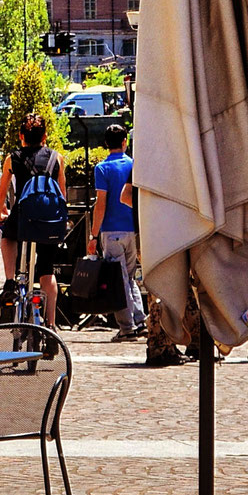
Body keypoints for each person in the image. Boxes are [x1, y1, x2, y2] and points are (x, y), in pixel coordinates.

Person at [0, 116, 67, 327]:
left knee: (7, 237)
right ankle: (51, 324)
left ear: (21, 136)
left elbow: (1, 194)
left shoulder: (13, 158)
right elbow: (62, 193)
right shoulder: (56, 158)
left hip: (23, 217)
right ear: (45, 136)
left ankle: (10, 280)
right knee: (47, 271)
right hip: (50, 221)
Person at [87, 125, 145, 338]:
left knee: (118, 282)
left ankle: (127, 328)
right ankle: (140, 319)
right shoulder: (133, 165)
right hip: (133, 229)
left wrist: (94, 235)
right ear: (124, 142)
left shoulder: (102, 169)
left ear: (105, 144)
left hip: (111, 230)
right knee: (130, 278)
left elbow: (100, 203)